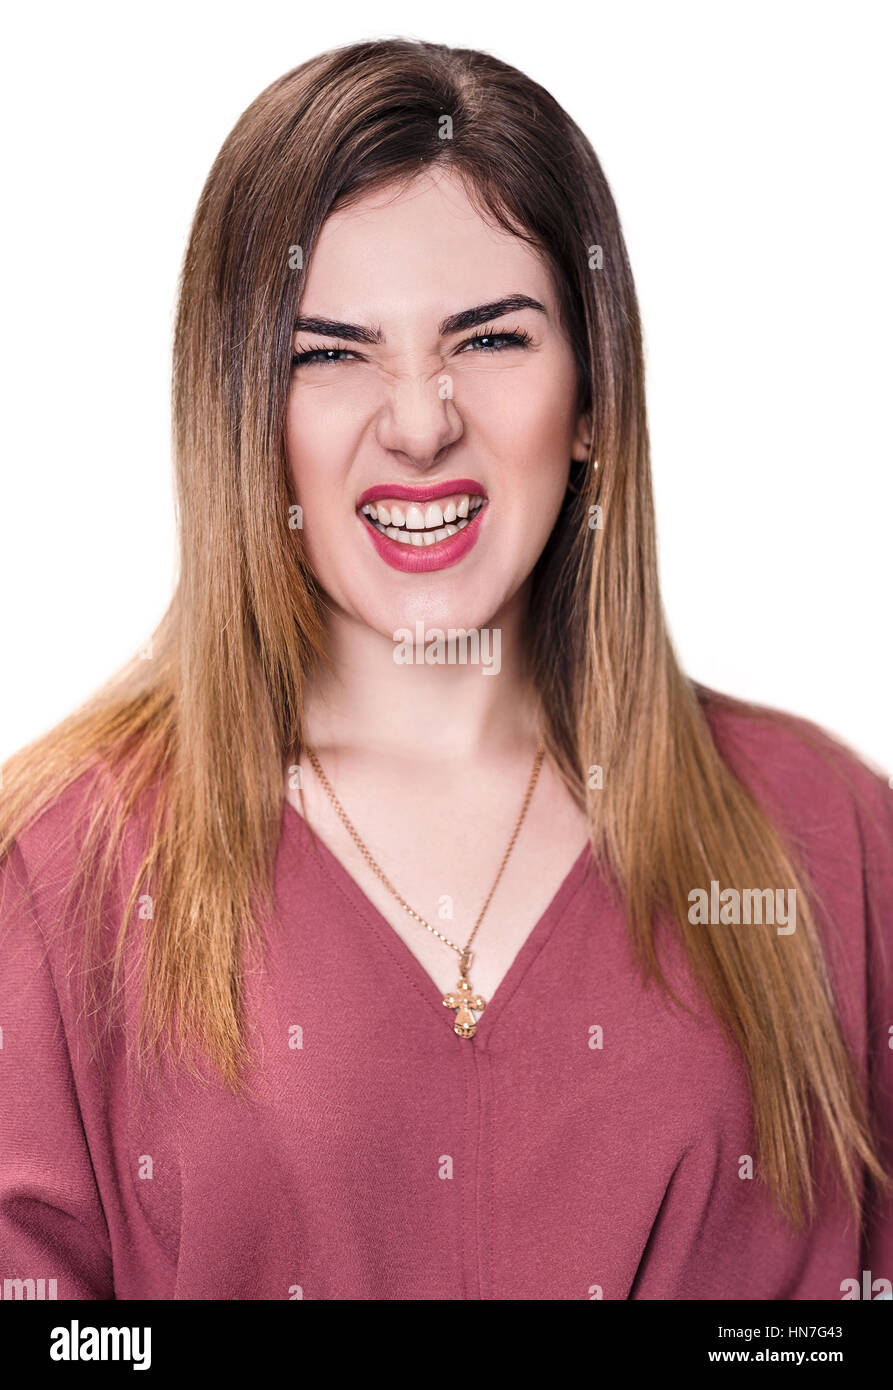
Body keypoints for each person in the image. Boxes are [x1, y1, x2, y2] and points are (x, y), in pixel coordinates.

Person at [1, 36, 891, 1301]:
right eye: (328, 352)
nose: (419, 421)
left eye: (488, 338)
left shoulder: (832, 836)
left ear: (591, 398)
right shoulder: (54, 876)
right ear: (239, 415)